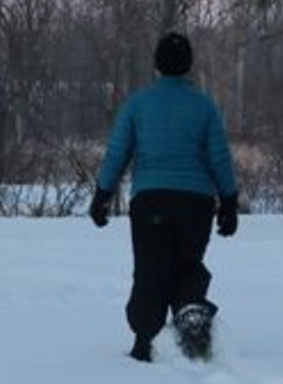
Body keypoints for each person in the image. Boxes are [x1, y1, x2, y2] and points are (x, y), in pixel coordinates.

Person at [88, 32, 240, 364]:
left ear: (157, 63)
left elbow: (117, 153)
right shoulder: (204, 107)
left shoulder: (138, 104)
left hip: (150, 200)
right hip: (196, 204)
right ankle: (191, 321)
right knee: (187, 265)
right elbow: (219, 157)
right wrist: (229, 201)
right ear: (188, 64)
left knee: (151, 269)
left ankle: (145, 340)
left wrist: (103, 194)